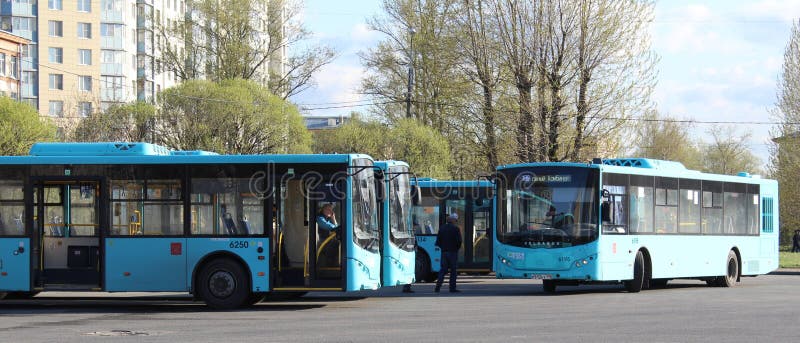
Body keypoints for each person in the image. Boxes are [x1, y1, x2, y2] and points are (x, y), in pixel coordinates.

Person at [435, 212, 463, 293]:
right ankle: (452, 288)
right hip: (453, 252)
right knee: (453, 271)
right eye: (456, 220)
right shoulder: (456, 229)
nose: (456, 221)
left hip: (444, 252)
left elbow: (438, 242)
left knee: (443, 270)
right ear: (453, 220)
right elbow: (459, 241)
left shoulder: (442, 228)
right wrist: (456, 249)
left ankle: (438, 287)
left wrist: (443, 248)